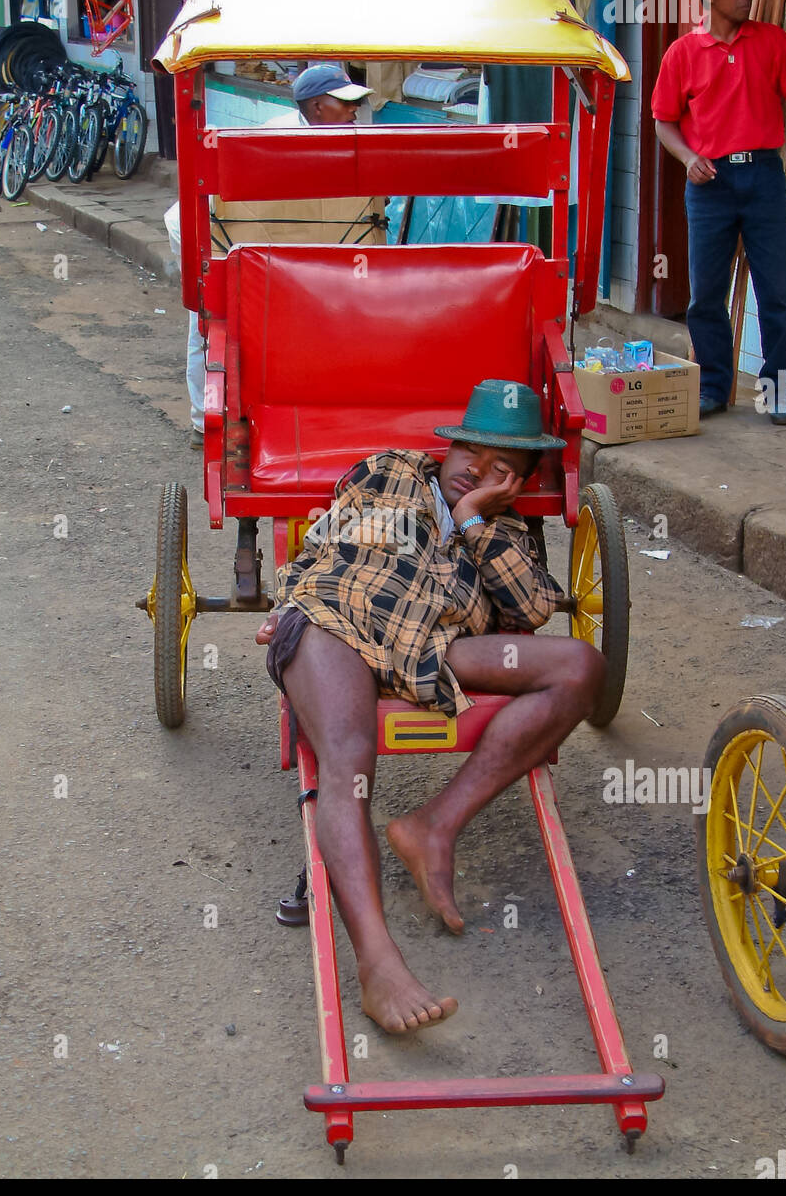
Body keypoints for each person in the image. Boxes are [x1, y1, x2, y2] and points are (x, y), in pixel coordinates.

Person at [256, 380, 605, 1034]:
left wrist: (475, 519)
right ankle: (379, 965)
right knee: (349, 757)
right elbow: (327, 542)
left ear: (516, 483)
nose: (478, 470)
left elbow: (531, 608)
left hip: (433, 651)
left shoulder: (500, 533)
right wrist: (287, 600)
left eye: (502, 469)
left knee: (581, 665)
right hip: (341, 623)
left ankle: (434, 826)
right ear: (449, 447)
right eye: (472, 452)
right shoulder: (387, 471)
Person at [166, 65, 373, 448]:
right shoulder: (275, 140)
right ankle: (205, 424)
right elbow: (195, 217)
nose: (354, 111)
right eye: (345, 103)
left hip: (279, 248)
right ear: (316, 107)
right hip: (217, 241)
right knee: (209, 327)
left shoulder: (342, 142)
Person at [652, 0, 786, 425]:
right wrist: (689, 157)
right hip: (709, 182)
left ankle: (780, 393)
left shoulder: (774, 42)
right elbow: (663, 121)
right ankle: (712, 388)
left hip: (765, 176)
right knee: (706, 294)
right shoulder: (683, 53)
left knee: (780, 291)